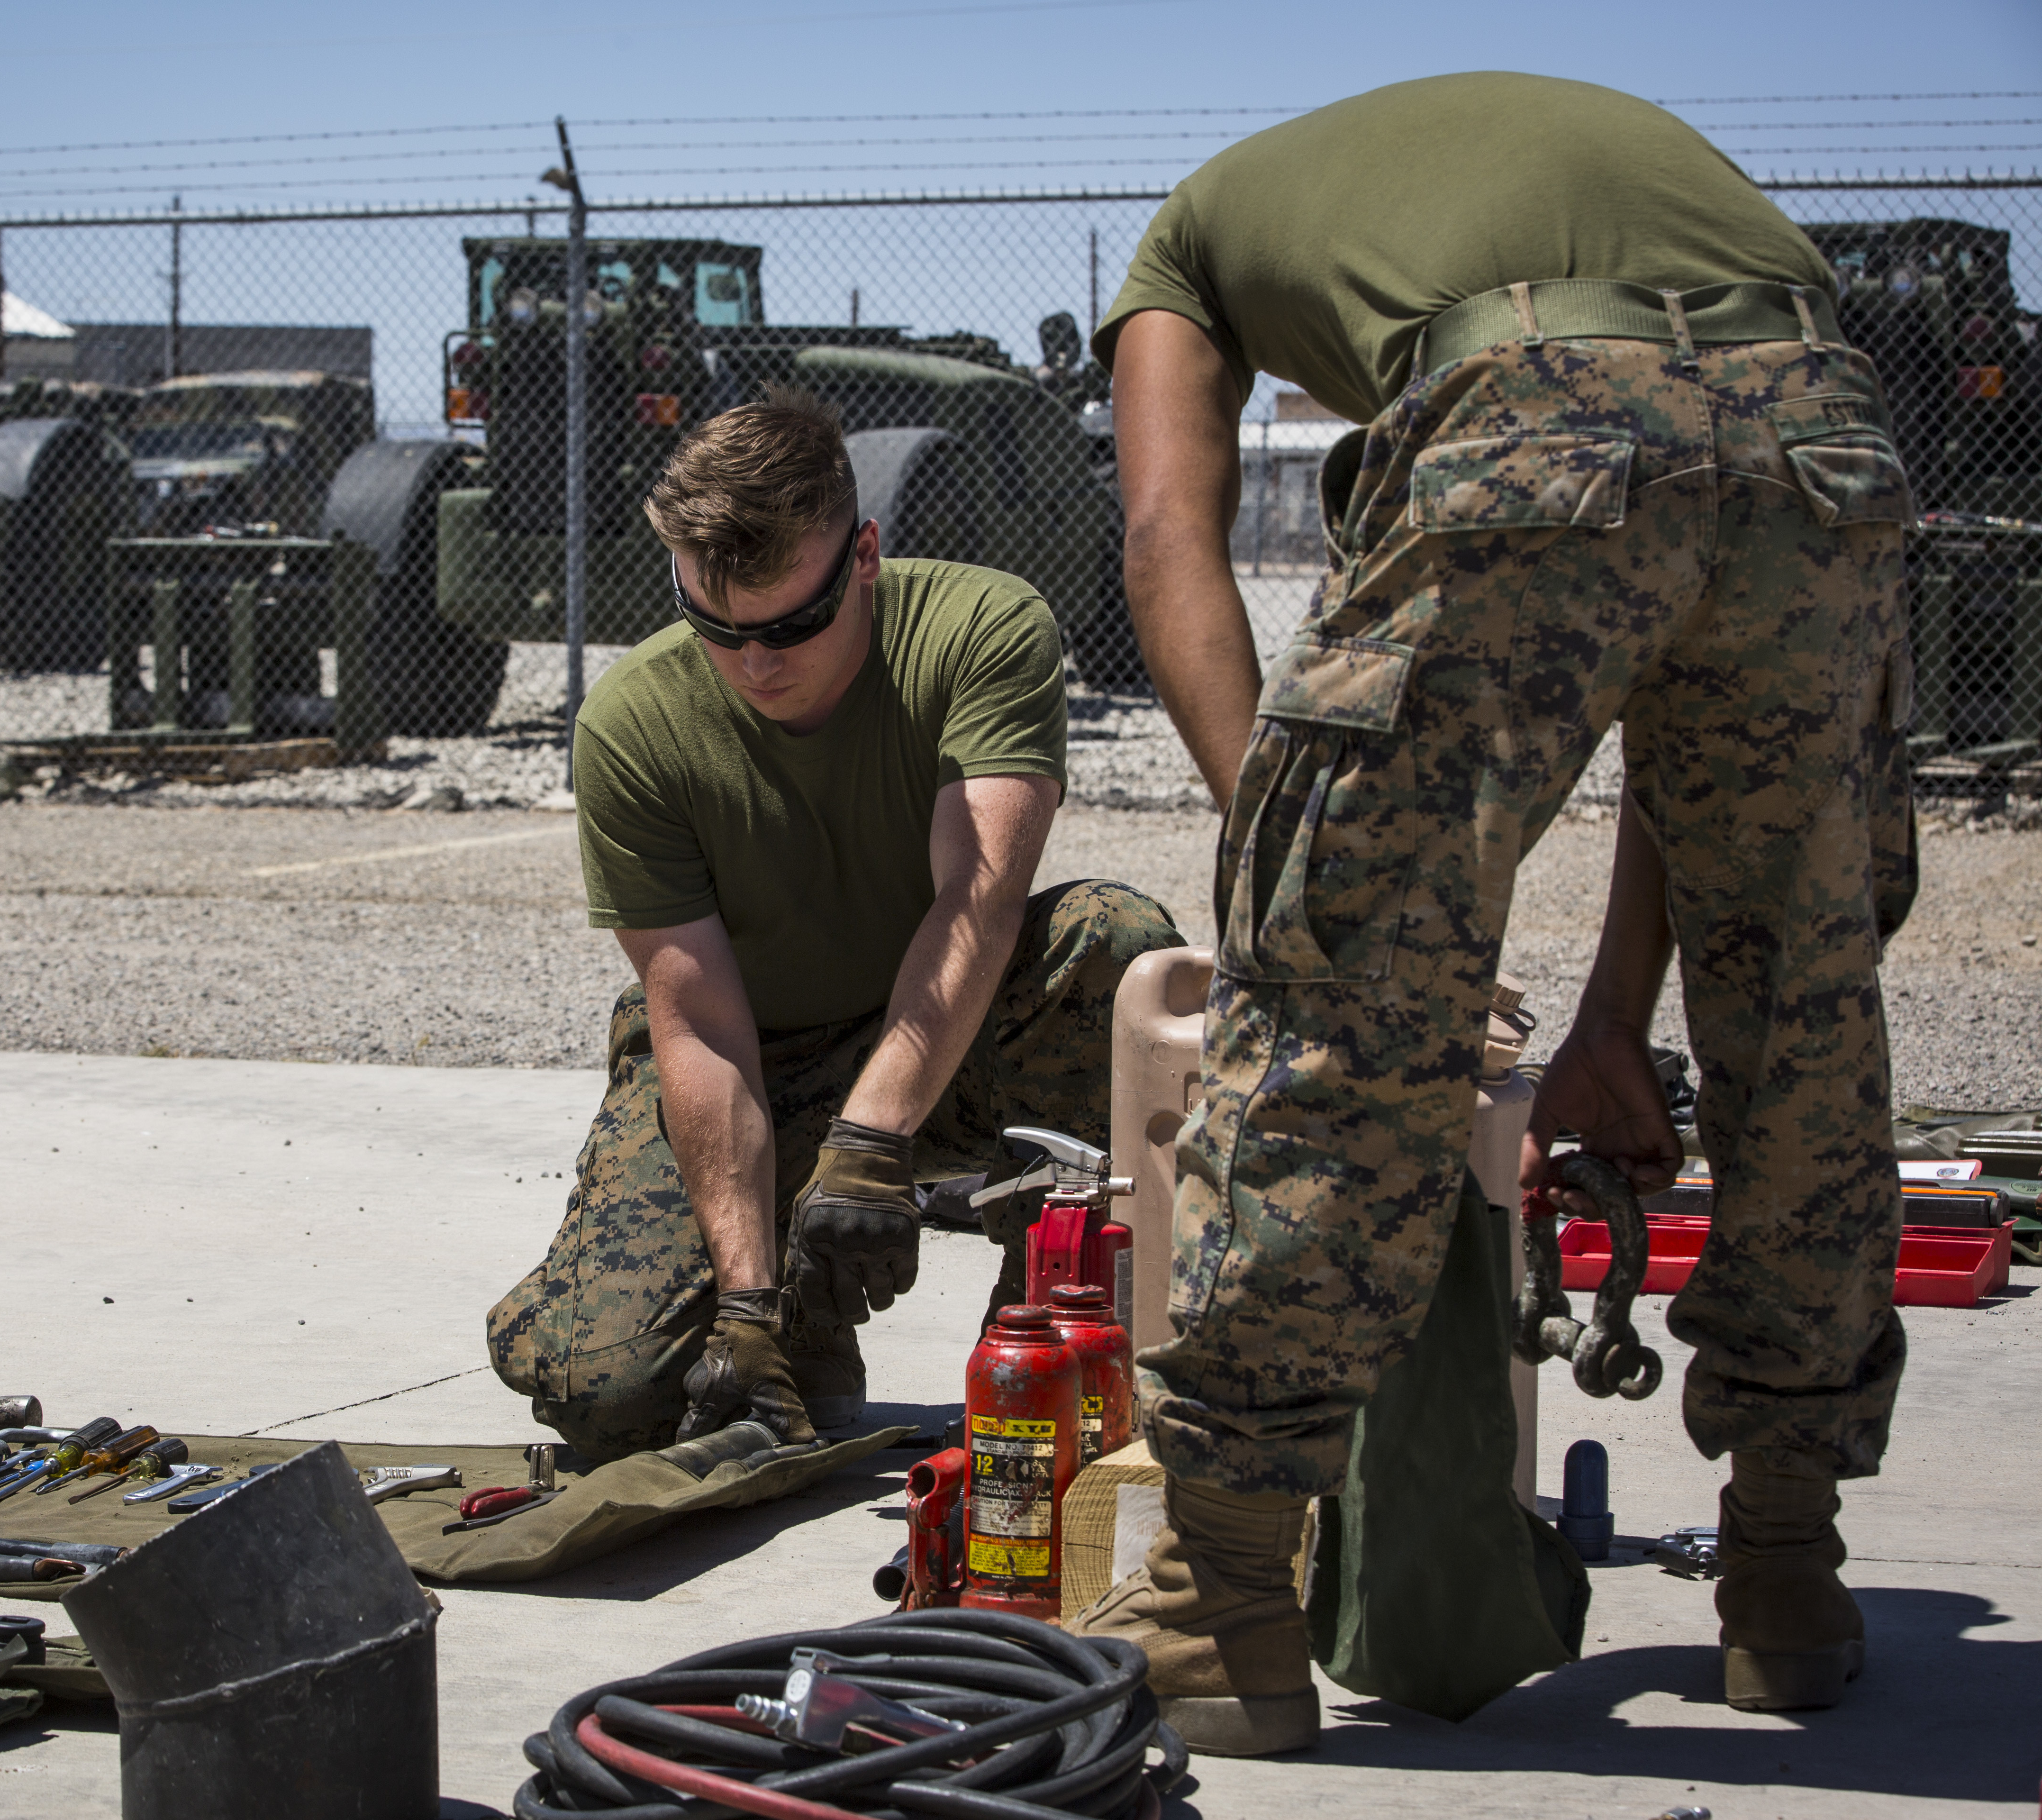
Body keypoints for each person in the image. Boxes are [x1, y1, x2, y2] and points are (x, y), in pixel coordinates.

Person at [1075, 70, 1917, 1755]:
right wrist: (1613, 1018)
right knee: (1802, 1000)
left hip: (1534, 404)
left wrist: (1310, 879)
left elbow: (1171, 534)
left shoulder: (1180, 252)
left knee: (1343, 1018)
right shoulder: (1568, 168)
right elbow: (1689, 733)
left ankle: (1223, 1601)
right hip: (1822, 423)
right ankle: (1786, 1574)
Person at [488, 389, 1183, 1461]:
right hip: (758, 1055)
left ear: (862, 556)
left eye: (791, 626)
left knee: (1114, 944)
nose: (756, 665)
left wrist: (872, 1147)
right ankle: (800, 1312)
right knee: (604, 1391)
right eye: (717, 630)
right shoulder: (633, 725)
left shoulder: (981, 629)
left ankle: (1056, 1333)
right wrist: (750, 1308)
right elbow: (700, 1026)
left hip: (961, 1033)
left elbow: (979, 900)